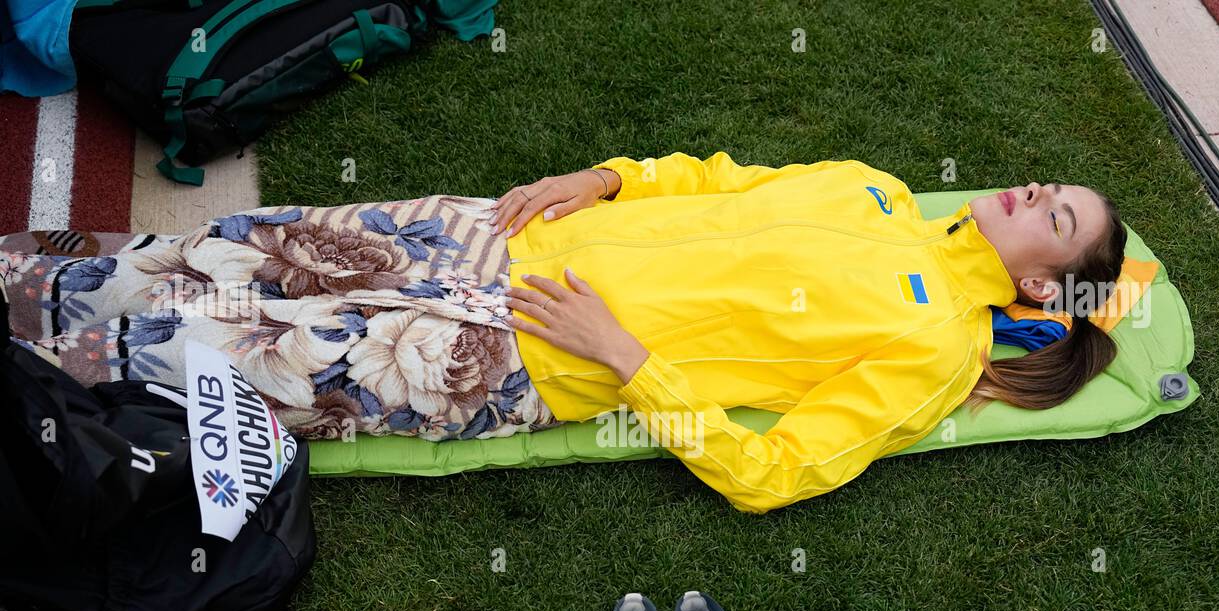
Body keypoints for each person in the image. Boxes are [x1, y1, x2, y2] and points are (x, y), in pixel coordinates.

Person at [0, 150, 1126, 514]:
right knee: (223, 248)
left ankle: (27, 374)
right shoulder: (873, 189)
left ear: (1046, 288)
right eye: (1048, 184)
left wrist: (635, 362)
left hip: (519, 356)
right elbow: (715, 175)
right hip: (497, 239)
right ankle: (24, 278)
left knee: (196, 359)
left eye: (1059, 215)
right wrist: (610, 176)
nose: (1035, 192)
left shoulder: (933, 357)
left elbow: (774, 470)